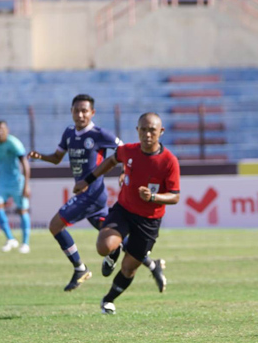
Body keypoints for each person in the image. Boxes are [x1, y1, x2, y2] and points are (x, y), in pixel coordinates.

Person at [28, 94, 166, 292]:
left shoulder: (99, 134)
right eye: (77, 110)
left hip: (91, 195)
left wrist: (124, 170)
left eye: (85, 110)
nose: (80, 114)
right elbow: (58, 158)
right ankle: (153, 265)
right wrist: (40, 156)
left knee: (55, 225)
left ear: (92, 113)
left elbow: (124, 150)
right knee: (114, 239)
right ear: (71, 112)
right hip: (90, 199)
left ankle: (79, 268)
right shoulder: (68, 133)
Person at [73, 112, 180, 315]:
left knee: (129, 268)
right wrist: (87, 180)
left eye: (152, 130)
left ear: (161, 132)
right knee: (104, 246)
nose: (147, 134)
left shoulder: (169, 161)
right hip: (124, 211)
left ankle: (108, 300)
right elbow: (111, 161)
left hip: (149, 221)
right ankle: (113, 252)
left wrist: (153, 197)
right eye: (143, 129)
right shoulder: (129, 150)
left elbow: (175, 196)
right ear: (137, 130)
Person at [0, 121, 31, 253]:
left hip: (17, 182)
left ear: (7, 130)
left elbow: (25, 164)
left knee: (22, 211)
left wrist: (26, 185)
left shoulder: (14, 143)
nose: (0, 132)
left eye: (2, 129)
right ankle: (10, 239)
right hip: (3, 182)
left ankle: (25, 243)